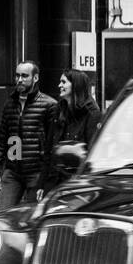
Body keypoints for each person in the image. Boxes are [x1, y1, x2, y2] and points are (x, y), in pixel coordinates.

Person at [0, 60, 58, 209]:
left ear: (35, 78)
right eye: (17, 75)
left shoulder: (49, 105)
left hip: (36, 171)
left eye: (25, 76)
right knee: (4, 215)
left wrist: (46, 176)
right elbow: (2, 138)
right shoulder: (10, 104)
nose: (20, 80)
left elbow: (52, 143)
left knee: (32, 216)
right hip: (13, 169)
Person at [38, 68, 102, 197]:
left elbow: (92, 154)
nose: (59, 85)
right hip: (55, 182)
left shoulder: (92, 113)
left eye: (63, 82)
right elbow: (49, 149)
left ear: (75, 85)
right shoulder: (59, 110)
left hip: (77, 186)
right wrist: (41, 184)